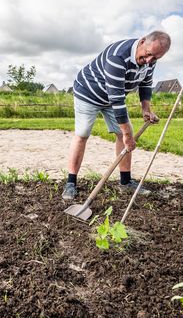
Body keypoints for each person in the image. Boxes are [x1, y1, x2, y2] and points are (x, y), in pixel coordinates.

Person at [62, 31, 171, 200]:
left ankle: (126, 182)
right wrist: (128, 134)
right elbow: (117, 99)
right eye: (148, 55)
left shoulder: (151, 59)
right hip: (88, 93)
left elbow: (146, 84)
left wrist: (146, 109)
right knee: (82, 134)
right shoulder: (118, 56)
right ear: (142, 42)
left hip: (112, 97)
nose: (150, 61)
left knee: (123, 135)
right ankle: (70, 183)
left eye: (156, 58)